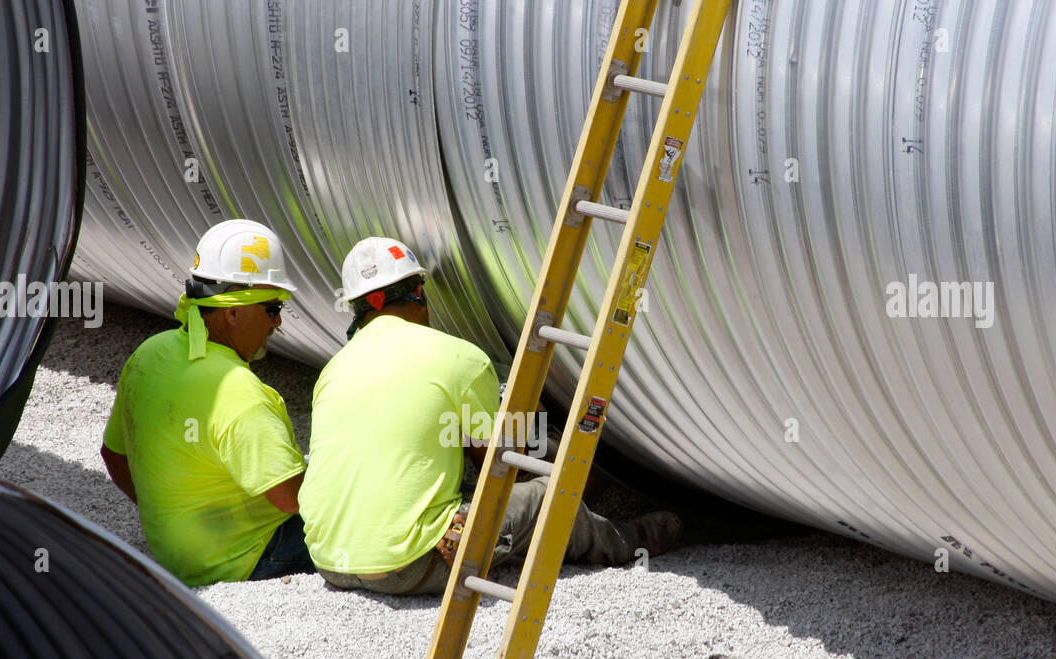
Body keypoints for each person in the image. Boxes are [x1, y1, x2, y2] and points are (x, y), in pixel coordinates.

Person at [297, 236, 681, 596]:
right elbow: (498, 470)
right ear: (417, 294)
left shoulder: (332, 370)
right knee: (546, 497)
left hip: (329, 561)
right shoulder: (459, 357)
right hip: (406, 567)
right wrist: (548, 447)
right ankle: (629, 539)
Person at [100, 218, 312, 586]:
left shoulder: (149, 354)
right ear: (232, 312)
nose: (277, 324)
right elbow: (293, 499)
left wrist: (171, 517)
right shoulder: (239, 391)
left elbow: (113, 456)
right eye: (272, 308)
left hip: (177, 557)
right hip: (250, 557)